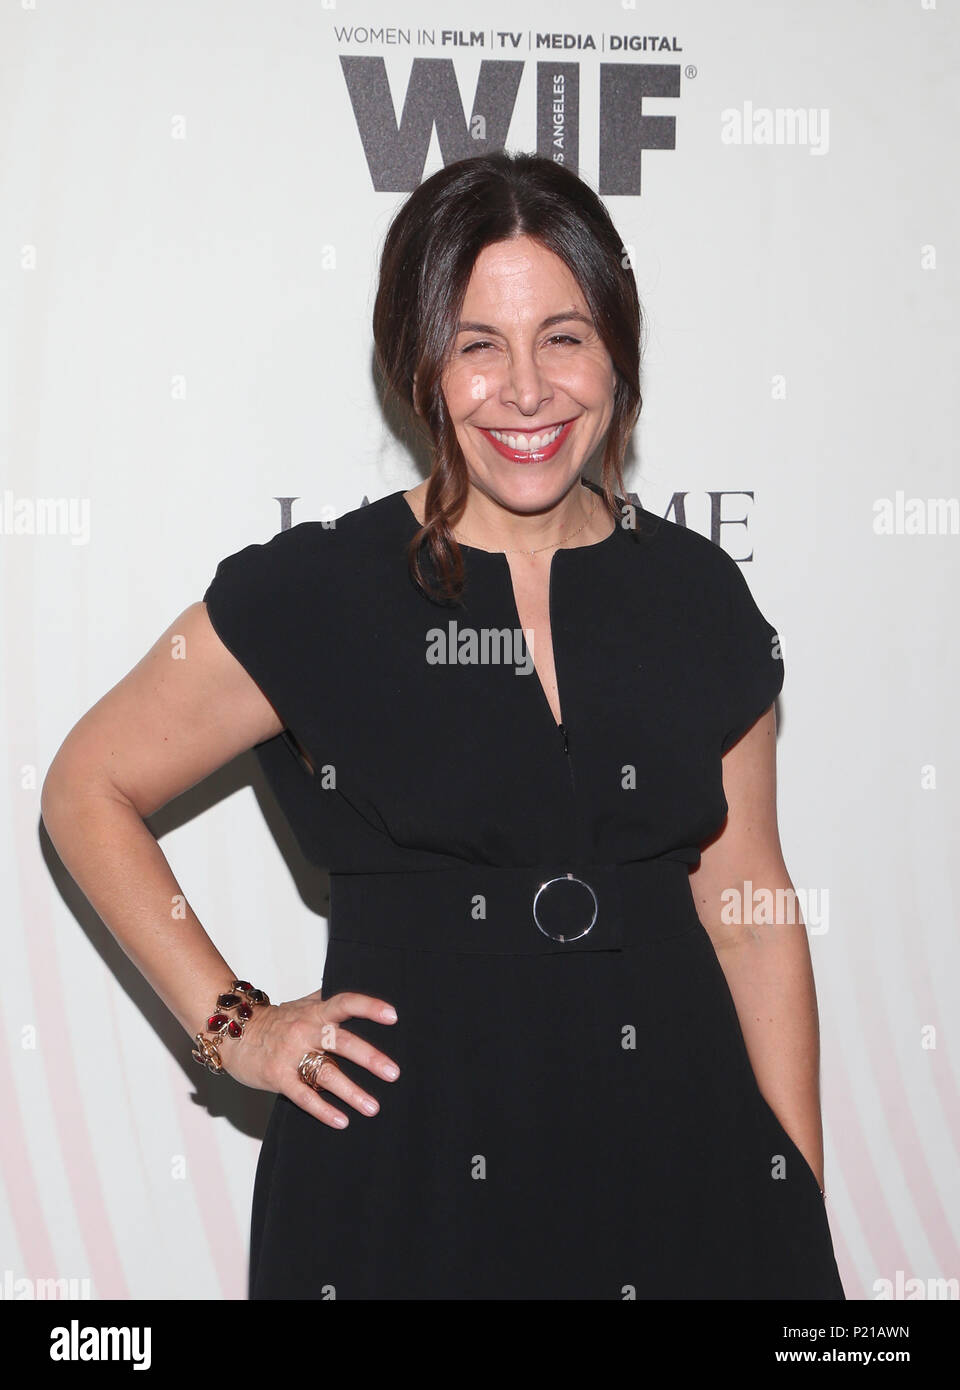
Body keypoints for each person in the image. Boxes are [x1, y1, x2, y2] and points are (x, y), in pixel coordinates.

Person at [40, 150, 844, 1300]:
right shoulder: (318, 592)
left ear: (617, 351)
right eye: (479, 345)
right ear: (418, 363)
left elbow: (751, 911)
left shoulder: (700, 595)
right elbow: (87, 786)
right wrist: (240, 1026)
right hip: (405, 1188)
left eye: (564, 336)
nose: (528, 390)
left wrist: (793, 1196)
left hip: (688, 1173)